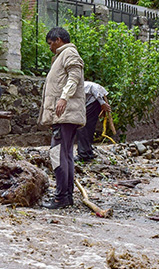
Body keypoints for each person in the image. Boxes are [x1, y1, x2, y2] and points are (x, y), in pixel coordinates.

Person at [39, 27, 85, 209]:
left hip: (65, 114)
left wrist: (63, 98)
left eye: (50, 44)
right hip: (65, 115)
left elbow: (74, 77)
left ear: (58, 40)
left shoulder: (69, 53)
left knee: (57, 154)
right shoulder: (64, 55)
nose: (50, 47)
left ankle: (61, 197)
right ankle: (66, 196)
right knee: (65, 154)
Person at [75, 80, 111, 163]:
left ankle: (83, 154)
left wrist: (102, 103)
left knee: (81, 127)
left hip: (95, 99)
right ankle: (88, 153)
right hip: (94, 100)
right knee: (88, 127)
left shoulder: (74, 87)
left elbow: (94, 88)